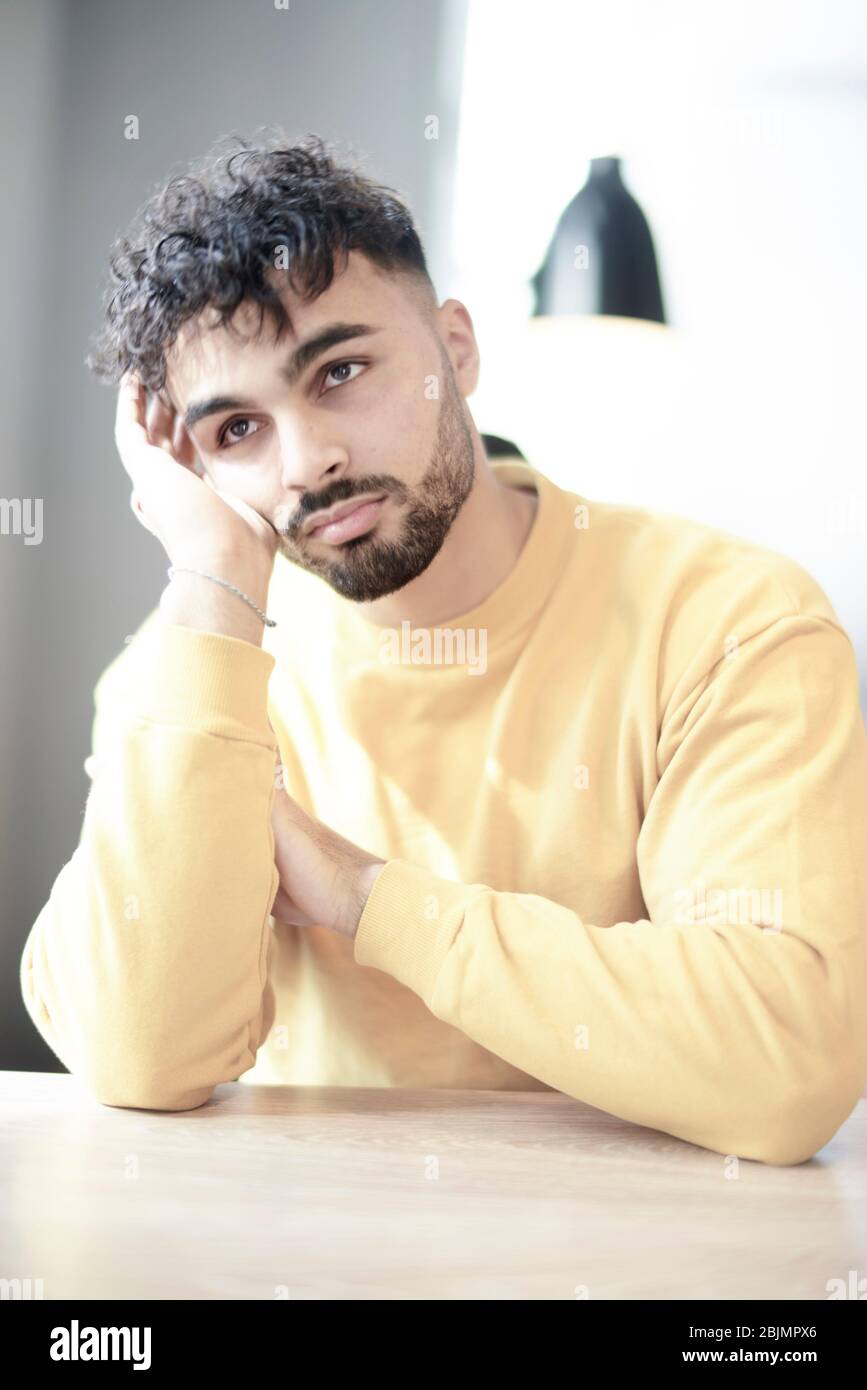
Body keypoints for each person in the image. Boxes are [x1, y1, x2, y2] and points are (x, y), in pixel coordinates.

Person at [20, 130, 867, 1166]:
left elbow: (783, 1066)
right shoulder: (197, 672)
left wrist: (365, 896)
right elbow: (139, 1057)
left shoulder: (730, 619)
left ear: (455, 349)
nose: (309, 460)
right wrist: (209, 577)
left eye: (340, 370)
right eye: (235, 430)